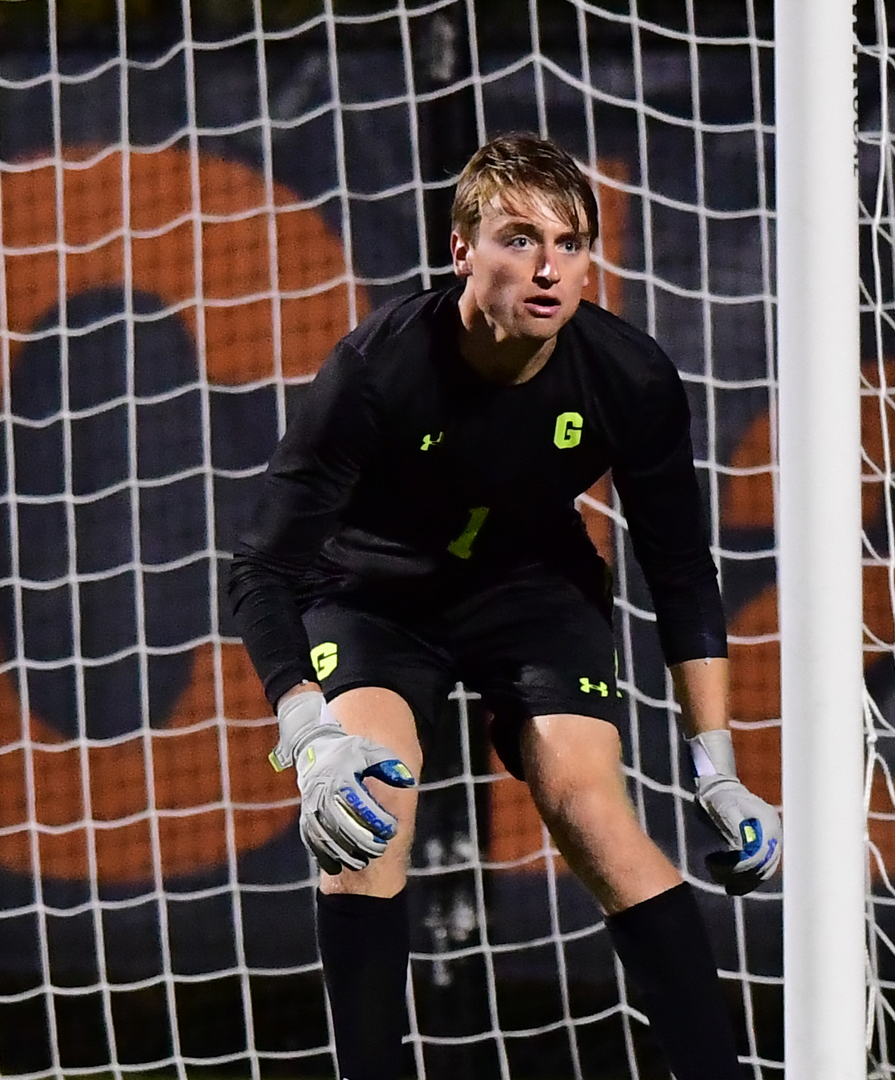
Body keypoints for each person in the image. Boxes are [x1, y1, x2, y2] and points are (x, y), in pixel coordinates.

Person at [226, 132, 781, 1080]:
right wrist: (309, 733)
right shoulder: (375, 368)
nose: (549, 268)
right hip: (373, 595)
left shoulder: (630, 378)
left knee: (587, 804)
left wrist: (716, 765)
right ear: (462, 250)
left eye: (569, 244)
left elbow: (682, 571)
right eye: (519, 239)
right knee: (365, 819)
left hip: (531, 590)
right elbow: (261, 570)